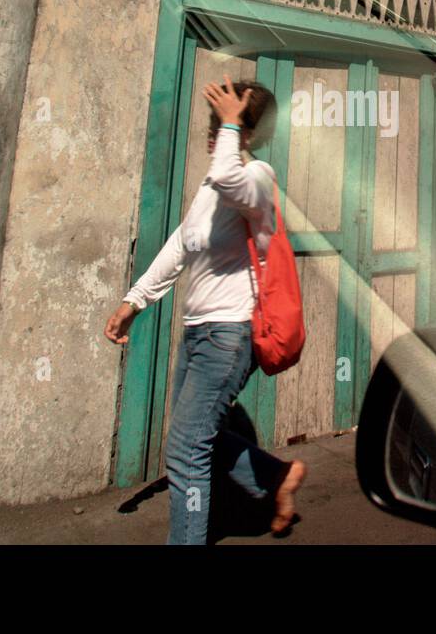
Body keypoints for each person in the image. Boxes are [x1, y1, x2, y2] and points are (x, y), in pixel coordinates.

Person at [104, 75, 307, 544]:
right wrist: (135, 300)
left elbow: (230, 177)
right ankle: (275, 477)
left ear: (249, 132)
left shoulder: (257, 178)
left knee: (185, 450)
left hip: (229, 335)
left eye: (231, 123)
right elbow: (183, 243)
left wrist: (232, 127)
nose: (216, 130)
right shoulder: (211, 187)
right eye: (214, 122)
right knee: (199, 440)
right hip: (198, 332)